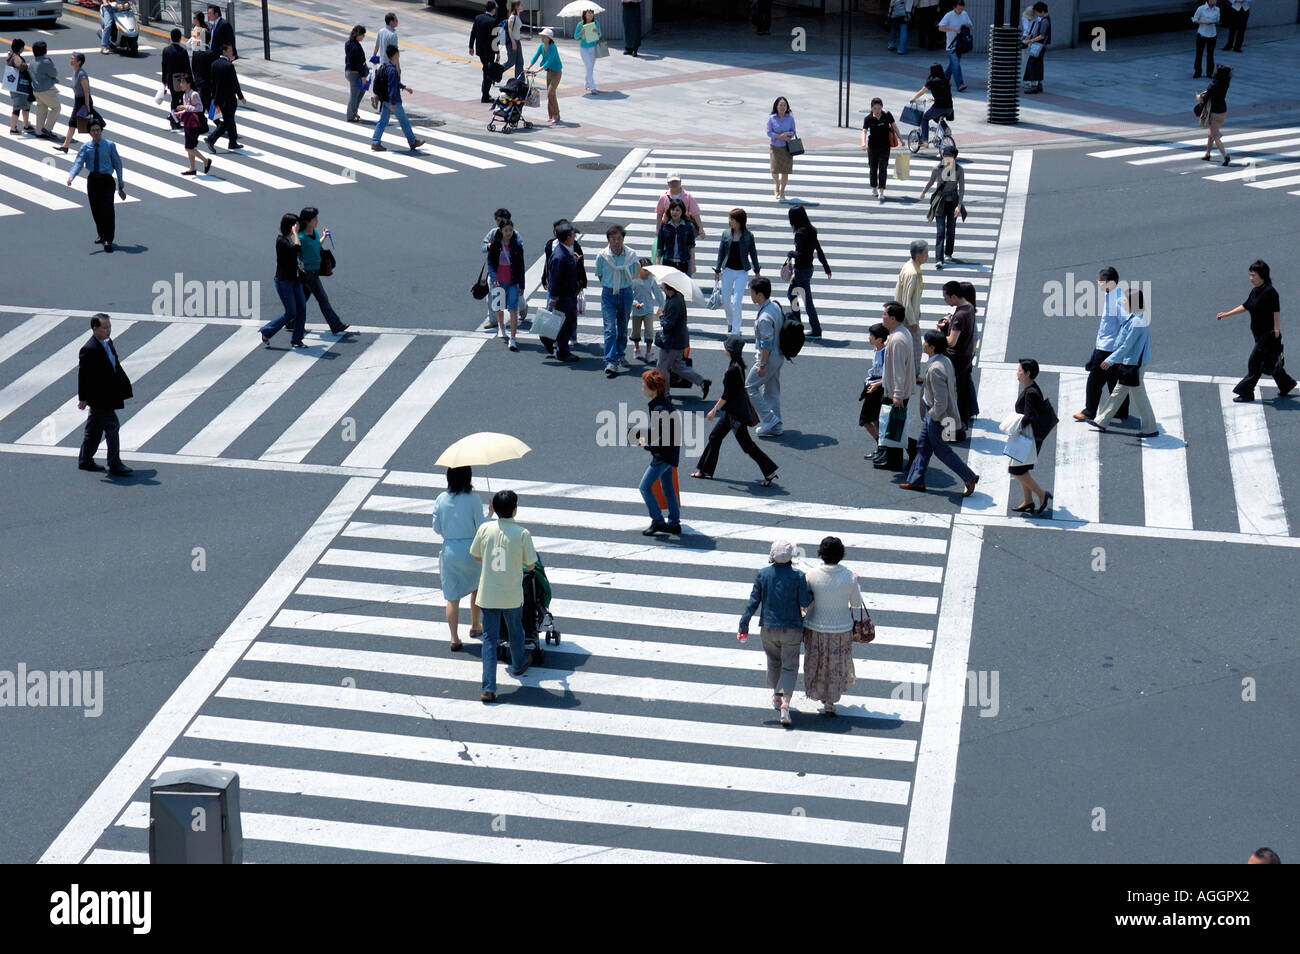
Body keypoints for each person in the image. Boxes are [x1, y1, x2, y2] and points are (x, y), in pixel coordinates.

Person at [470, 490, 538, 702]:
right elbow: (530, 564)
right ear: (515, 509)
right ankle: (518, 664)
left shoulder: (484, 529)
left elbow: (476, 556)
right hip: (511, 593)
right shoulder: (522, 533)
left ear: (495, 509)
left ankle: (488, 687)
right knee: (515, 629)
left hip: (489, 593)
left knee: (489, 639)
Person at [738, 540, 812, 727]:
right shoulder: (798, 576)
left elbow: (753, 602)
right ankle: (785, 703)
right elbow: (805, 600)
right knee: (789, 666)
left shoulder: (763, 574)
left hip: (768, 628)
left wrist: (743, 625)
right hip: (792, 628)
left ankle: (776, 696)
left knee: (773, 661)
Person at [901, 331, 980, 495]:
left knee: (941, 451)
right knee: (923, 446)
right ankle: (916, 480)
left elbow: (941, 401)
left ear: (931, 347)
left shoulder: (936, 368)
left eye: (925, 342)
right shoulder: (944, 360)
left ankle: (969, 477)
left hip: (937, 416)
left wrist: (933, 417)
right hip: (936, 415)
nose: (923, 344)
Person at [693, 336, 778, 485]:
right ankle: (704, 470)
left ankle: (770, 471)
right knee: (715, 437)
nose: (724, 349)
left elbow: (726, 395)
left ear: (730, 351)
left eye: (726, 347)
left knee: (747, 446)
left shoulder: (732, 370)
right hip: (733, 411)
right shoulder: (738, 364)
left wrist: (714, 410)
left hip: (736, 414)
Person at [803, 536, 867, 716]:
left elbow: (806, 600)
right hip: (841, 628)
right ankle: (830, 702)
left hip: (815, 627)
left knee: (818, 663)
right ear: (841, 554)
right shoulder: (849, 576)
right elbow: (856, 603)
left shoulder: (811, 574)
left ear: (821, 554)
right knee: (836, 665)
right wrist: (856, 582)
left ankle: (821, 693)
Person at [1217, 260, 1296, 402]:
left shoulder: (1270, 292)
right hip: (1258, 335)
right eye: (1250, 275)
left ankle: (1246, 392)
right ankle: (1286, 384)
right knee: (1270, 360)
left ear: (1263, 275)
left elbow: (1276, 312)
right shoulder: (1255, 291)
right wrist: (1226, 314)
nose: (1251, 278)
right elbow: (1246, 306)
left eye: (1254, 275)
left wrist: (1276, 331)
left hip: (1268, 335)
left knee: (1254, 363)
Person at [1089, 284, 1158, 436]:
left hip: (1135, 365)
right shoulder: (1137, 317)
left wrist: (1110, 360)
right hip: (1132, 363)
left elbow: (1126, 345)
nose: (1122, 302)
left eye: (1125, 300)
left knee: (1139, 398)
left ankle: (1151, 428)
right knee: (1118, 392)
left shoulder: (1137, 322)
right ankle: (1101, 420)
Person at [433, 465, 486, 652]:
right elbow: (481, 526)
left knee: (452, 597)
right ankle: (475, 625)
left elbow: (437, 528)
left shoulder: (441, 499)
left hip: (450, 550)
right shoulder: (474, 499)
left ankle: (454, 638)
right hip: (472, 549)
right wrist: (490, 513)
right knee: (476, 587)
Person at [77, 314, 133, 477]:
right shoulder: (89, 349)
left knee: (94, 429)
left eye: (109, 327)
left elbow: (114, 364)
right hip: (99, 397)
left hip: (108, 394)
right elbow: (84, 375)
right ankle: (114, 464)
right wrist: (83, 398)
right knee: (112, 426)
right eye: (105, 327)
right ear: (95, 328)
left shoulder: (107, 343)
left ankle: (85, 460)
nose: (108, 330)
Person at [1073, 266, 1130, 423]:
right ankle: (1121, 411)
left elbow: (1126, 322)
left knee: (1094, 380)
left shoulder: (1116, 300)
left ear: (1110, 283)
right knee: (1113, 380)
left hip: (1107, 349)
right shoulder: (1112, 295)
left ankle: (1089, 411)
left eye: (1100, 281)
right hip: (1108, 347)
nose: (1098, 283)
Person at [634, 370, 682, 536]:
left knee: (644, 487)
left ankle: (658, 520)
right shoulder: (663, 404)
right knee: (668, 488)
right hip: (671, 453)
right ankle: (674, 523)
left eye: (644, 386)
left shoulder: (659, 408)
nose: (642, 389)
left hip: (663, 455)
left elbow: (663, 436)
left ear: (653, 390)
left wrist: (646, 445)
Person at [66, 118, 126, 252]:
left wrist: (120, 180)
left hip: (107, 180)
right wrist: (71, 176)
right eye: (93, 130)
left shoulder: (110, 145)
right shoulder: (85, 147)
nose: (96, 132)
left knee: (108, 209)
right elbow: (79, 162)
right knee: (96, 209)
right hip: (93, 180)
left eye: (98, 130)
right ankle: (101, 233)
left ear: (101, 130)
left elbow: (117, 163)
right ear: (90, 133)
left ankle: (108, 239)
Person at [1008, 358, 1054, 515]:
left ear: (1027, 373)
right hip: (1029, 436)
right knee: (1022, 470)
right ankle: (1028, 501)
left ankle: (1041, 494)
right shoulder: (1032, 388)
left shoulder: (1030, 393)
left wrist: (1012, 425)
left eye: (1019, 370)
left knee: (1016, 470)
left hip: (1026, 437)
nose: (1017, 373)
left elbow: (1027, 417)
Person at [874, 302, 916, 471]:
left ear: (892, 318)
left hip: (896, 391)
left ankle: (908, 452)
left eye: (884, 314)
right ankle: (894, 460)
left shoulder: (897, 340)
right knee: (893, 424)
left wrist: (896, 394)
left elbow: (899, 370)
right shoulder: (900, 332)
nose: (882, 317)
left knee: (893, 424)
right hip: (896, 390)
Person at [298, 207, 351, 337]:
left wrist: (324, 236)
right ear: (308, 221)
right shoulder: (301, 237)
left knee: (302, 299)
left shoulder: (314, 232)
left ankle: (291, 321)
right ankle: (336, 325)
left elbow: (316, 244)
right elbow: (296, 253)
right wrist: (300, 265)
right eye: (315, 219)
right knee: (323, 299)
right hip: (308, 273)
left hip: (315, 270)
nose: (317, 220)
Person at [596, 224, 639, 377]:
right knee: (609, 329)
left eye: (619, 238)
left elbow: (636, 273)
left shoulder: (631, 255)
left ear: (623, 239)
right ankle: (611, 361)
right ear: (608, 240)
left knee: (622, 326)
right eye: (613, 239)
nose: (616, 242)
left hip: (626, 292)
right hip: (608, 294)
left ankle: (620, 354)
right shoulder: (602, 256)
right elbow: (600, 275)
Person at [259, 213, 307, 348]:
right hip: (284, 281)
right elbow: (296, 249)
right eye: (296, 225)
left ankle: (297, 340)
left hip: (294, 279)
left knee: (302, 309)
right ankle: (267, 331)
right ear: (291, 226)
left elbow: (294, 255)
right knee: (291, 312)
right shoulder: (281, 241)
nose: (298, 228)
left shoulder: (288, 239)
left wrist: (299, 264)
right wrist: (296, 234)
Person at [938, 280, 979, 436]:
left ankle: (957, 428)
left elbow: (951, 341)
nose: (945, 300)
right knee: (962, 391)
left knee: (952, 393)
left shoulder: (960, 315)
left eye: (946, 297)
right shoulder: (969, 307)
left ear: (954, 296)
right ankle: (961, 424)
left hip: (956, 359)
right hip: (966, 356)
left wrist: (940, 333)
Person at [655, 280, 710, 397]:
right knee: (678, 367)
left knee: (662, 368)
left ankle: (665, 394)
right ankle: (702, 382)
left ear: (668, 287)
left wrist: (660, 316)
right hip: (681, 340)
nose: (662, 286)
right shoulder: (678, 297)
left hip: (671, 342)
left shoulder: (674, 303)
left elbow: (668, 325)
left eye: (663, 285)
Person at [747, 277, 786, 437]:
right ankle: (777, 426)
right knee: (772, 391)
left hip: (768, 359)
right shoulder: (775, 306)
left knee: (750, 387)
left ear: (760, 295)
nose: (750, 295)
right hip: (779, 356)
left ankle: (769, 419)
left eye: (752, 292)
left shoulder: (764, 318)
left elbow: (766, 344)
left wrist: (762, 365)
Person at [714, 208, 761, 336]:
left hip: (742, 271)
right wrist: (717, 270)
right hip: (728, 270)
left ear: (740, 221)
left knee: (737, 301)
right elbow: (721, 253)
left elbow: (753, 254)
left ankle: (736, 329)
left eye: (732, 219)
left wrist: (757, 270)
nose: (729, 221)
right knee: (725, 300)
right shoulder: (726, 234)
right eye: (729, 219)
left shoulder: (748, 236)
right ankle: (730, 321)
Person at [369, 46, 424, 152]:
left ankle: (375, 142)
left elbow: (393, 83)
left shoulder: (386, 66)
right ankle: (412, 142)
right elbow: (391, 87)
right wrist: (393, 102)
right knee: (404, 121)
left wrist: (404, 87)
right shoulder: (392, 70)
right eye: (398, 52)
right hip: (392, 101)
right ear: (395, 55)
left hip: (385, 100)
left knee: (383, 121)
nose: (399, 54)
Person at [786, 205, 831, 338]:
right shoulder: (811, 230)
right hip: (807, 270)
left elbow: (801, 254)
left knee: (805, 300)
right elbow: (818, 249)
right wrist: (826, 266)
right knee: (792, 295)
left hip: (801, 271)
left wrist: (790, 253)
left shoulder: (800, 233)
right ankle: (798, 324)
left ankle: (812, 328)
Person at [919, 145, 965, 268]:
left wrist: (959, 206)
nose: (947, 159)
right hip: (940, 202)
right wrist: (924, 191)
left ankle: (948, 253)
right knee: (940, 231)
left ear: (954, 157)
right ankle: (939, 259)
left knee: (951, 230)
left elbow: (962, 189)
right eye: (945, 156)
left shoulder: (959, 170)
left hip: (953, 202)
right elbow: (931, 181)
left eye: (950, 156)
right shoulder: (937, 169)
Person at [545, 223, 581, 362]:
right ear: (567, 238)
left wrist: (574, 260)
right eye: (573, 235)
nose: (575, 237)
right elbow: (554, 278)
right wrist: (553, 297)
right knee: (566, 323)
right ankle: (561, 350)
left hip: (569, 294)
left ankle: (551, 340)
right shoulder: (560, 256)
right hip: (564, 296)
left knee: (566, 321)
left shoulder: (565, 250)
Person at [487, 218, 525, 349]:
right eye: (506, 230)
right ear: (501, 231)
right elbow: (491, 264)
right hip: (498, 283)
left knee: (513, 309)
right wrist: (493, 278)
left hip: (512, 283)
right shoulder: (495, 246)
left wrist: (522, 285)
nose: (509, 232)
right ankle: (501, 327)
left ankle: (513, 338)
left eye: (510, 230)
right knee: (499, 307)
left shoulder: (517, 246)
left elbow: (521, 266)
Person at [894, 240, 928, 375]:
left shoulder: (912, 267)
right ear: (918, 256)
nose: (927, 256)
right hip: (908, 319)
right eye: (926, 253)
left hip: (909, 315)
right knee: (916, 348)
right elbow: (906, 301)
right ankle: (913, 375)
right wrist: (912, 322)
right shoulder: (912, 273)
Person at [204, 44, 245, 152]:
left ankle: (233, 141)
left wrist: (214, 97)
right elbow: (235, 83)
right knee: (228, 121)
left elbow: (212, 83)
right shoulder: (229, 66)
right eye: (230, 50)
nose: (232, 52)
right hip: (229, 98)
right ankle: (211, 139)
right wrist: (241, 97)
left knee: (229, 119)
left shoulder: (214, 64)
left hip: (219, 98)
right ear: (224, 52)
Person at [171, 73, 211, 176]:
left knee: (189, 147)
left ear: (188, 84)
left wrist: (185, 107)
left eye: (183, 82)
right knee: (190, 146)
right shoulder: (185, 95)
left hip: (195, 124)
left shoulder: (194, 94)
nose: (181, 84)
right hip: (188, 123)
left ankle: (205, 161)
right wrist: (178, 113)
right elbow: (187, 110)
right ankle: (192, 168)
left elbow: (199, 108)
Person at [861, 97, 899, 201]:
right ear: (871, 108)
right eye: (874, 108)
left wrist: (901, 139)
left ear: (882, 107)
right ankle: (874, 187)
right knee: (873, 168)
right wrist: (863, 143)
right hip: (872, 147)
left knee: (883, 168)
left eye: (879, 108)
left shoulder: (886, 115)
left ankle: (881, 191)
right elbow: (864, 131)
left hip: (885, 147)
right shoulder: (868, 118)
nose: (877, 111)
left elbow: (894, 127)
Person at [859, 323, 889, 451]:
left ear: (880, 339)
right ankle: (882, 446)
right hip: (872, 386)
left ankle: (881, 445)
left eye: (872, 336)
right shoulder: (878, 350)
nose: (869, 338)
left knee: (867, 420)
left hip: (876, 389)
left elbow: (888, 375)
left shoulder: (884, 354)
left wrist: (876, 384)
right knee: (875, 419)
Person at [54, 53, 91, 154]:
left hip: (84, 101)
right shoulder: (75, 72)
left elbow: (86, 91)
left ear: (79, 62)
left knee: (89, 125)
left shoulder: (81, 75)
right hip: (78, 100)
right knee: (74, 123)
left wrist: (87, 106)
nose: (71, 60)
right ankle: (65, 146)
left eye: (73, 59)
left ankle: (100, 143)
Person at [909, 62, 954, 144]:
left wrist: (914, 98)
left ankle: (924, 140)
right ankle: (946, 128)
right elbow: (946, 92)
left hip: (939, 107)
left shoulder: (932, 81)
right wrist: (935, 97)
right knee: (936, 117)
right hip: (949, 108)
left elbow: (922, 91)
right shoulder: (946, 79)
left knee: (925, 118)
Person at [630, 258, 664, 362]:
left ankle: (649, 352)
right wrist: (635, 304)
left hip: (648, 308)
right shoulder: (633, 279)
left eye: (649, 270)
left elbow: (658, 294)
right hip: (636, 310)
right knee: (636, 331)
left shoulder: (651, 279)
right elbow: (629, 295)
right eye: (645, 270)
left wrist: (662, 305)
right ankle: (637, 349)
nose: (648, 272)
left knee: (649, 330)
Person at [527, 28, 563, 125]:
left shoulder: (553, 47)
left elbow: (549, 61)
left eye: (543, 36)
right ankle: (551, 115)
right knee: (550, 94)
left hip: (556, 72)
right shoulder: (541, 46)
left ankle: (556, 115)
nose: (541, 38)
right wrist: (528, 67)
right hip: (549, 72)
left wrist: (537, 70)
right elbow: (536, 56)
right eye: (541, 36)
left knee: (551, 92)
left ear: (548, 38)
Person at [1199, 64, 1231, 165]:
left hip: (1214, 113)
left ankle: (1225, 156)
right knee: (1210, 134)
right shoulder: (1226, 83)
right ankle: (1207, 154)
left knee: (1215, 135)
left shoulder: (1213, 85)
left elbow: (1204, 99)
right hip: (1223, 111)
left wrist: (1199, 97)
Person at [655, 173, 704, 239]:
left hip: (684, 228)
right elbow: (659, 213)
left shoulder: (688, 196)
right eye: (671, 182)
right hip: (668, 228)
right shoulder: (664, 197)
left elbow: (695, 213)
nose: (674, 184)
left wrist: (701, 229)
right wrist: (658, 229)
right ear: (668, 183)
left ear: (680, 182)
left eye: (676, 181)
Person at [766, 96, 797, 200]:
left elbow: (793, 131)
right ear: (776, 106)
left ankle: (782, 191)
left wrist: (788, 136)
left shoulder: (790, 118)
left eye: (784, 105)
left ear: (787, 106)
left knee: (785, 171)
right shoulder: (772, 118)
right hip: (775, 147)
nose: (782, 107)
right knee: (774, 170)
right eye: (780, 105)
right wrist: (779, 136)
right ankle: (777, 185)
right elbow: (768, 132)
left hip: (786, 148)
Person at [470, 2, 500, 104]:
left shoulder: (478, 18)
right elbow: (495, 38)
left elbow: (473, 32)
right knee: (488, 73)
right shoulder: (493, 21)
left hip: (480, 50)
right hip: (490, 51)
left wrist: (471, 46)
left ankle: (485, 94)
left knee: (486, 70)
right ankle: (485, 96)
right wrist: (498, 52)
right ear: (493, 10)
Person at [938, 0, 972, 92]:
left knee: (953, 65)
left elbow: (970, 25)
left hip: (960, 45)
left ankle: (943, 80)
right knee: (956, 64)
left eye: (962, 9)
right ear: (954, 7)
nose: (960, 11)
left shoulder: (964, 14)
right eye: (959, 9)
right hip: (951, 45)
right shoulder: (949, 15)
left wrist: (966, 26)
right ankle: (960, 84)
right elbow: (940, 27)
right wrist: (953, 29)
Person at [656, 199, 696, 275]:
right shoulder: (664, 226)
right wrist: (657, 262)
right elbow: (660, 245)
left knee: (682, 286)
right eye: (673, 209)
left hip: (683, 262)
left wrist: (693, 264)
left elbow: (692, 246)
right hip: (668, 261)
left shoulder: (688, 226)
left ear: (682, 212)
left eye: (677, 210)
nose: (675, 212)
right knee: (668, 286)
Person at [161, 29, 191, 130]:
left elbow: (164, 66)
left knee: (174, 100)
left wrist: (164, 80)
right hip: (181, 79)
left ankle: (174, 119)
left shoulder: (166, 50)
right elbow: (187, 67)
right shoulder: (183, 51)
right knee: (181, 100)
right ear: (180, 38)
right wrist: (190, 80)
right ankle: (175, 118)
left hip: (170, 79)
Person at [29, 42, 58, 140]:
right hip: (46, 90)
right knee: (56, 108)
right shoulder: (46, 62)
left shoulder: (32, 62)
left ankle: (39, 131)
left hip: (36, 90)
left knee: (41, 109)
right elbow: (54, 73)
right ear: (45, 51)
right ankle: (47, 128)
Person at [1022, 2, 1050, 94]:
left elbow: (1042, 36)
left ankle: (1033, 86)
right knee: (1038, 65)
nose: (1036, 14)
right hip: (1041, 46)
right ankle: (1039, 85)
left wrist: (1030, 40)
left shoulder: (1044, 21)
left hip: (1038, 46)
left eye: (1037, 12)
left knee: (1032, 64)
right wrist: (1031, 36)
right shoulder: (1045, 19)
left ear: (1042, 11)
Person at [6, 40, 33, 137]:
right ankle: (13, 128)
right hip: (19, 86)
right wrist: (28, 65)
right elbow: (20, 66)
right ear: (21, 48)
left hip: (15, 85)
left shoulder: (11, 55)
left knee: (26, 105)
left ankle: (26, 125)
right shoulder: (16, 57)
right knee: (17, 106)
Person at [344, 25, 368, 123]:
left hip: (349, 71)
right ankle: (350, 116)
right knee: (355, 95)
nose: (363, 37)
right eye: (363, 35)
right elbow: (359, 63)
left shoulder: (348, 43)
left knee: (360, 92)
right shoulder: (356, 47)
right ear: (358, 35)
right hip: (356, 73)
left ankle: (354, 112)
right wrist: (363, 77)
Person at [575, 10, 602, 94]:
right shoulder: (580, 24)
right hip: (584, 49)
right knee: (589, 66)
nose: (591, 14)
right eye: (589, 13)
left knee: (590, 68)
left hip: (593, 48)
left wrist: (597, 32)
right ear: (585, 14)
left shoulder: (596, 23)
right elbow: (575, 36)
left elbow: (600, 34)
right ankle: (592, 87)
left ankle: (587, 83)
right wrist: (580, 33)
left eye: (592, 13)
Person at [1192, 0, 1219, 78]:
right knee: (1199, 53)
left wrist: (1214, 22)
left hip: (1212, 34)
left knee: (1210, 54)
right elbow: (1195, 19)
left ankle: (1210, 72)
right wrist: (1204, 22)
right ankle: (1197, 71)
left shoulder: (1217, 9)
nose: (1215, 1)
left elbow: (1217, 19)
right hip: (1202, 33)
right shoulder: (1201, 8)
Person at [502, 2, 525, 80]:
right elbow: (509, 29)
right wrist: (513, 42)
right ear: (516, 6)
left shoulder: (517, 16)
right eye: (521, 5)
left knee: (520, 62)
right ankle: (496, 71)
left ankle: (520, 80)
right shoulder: (512, 17)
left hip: (517, 41)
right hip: (513, 42)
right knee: (511, 62)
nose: (522, 6)